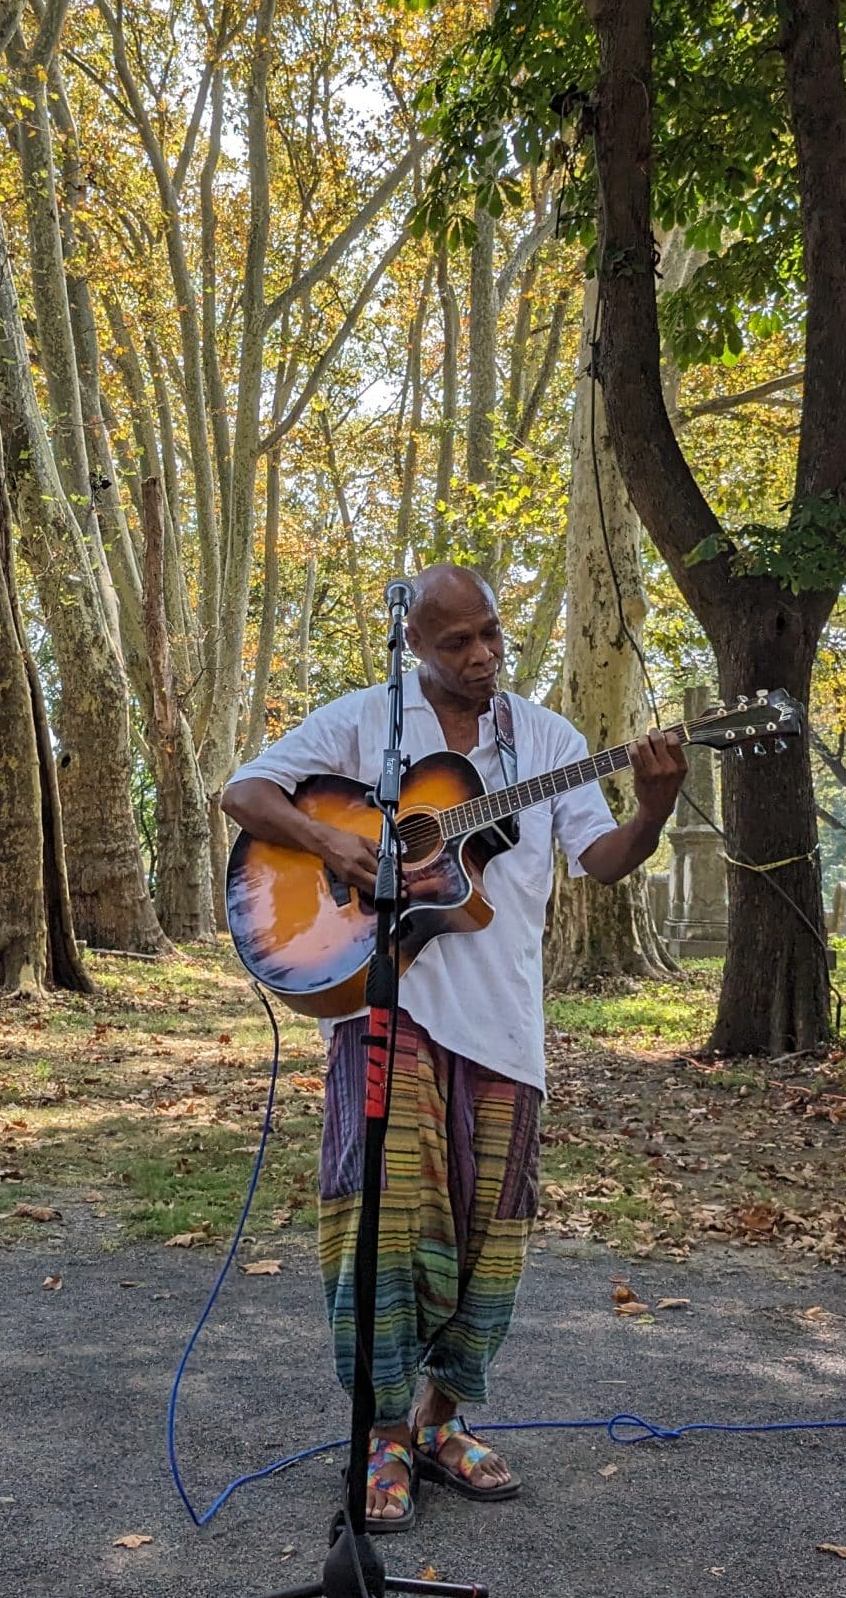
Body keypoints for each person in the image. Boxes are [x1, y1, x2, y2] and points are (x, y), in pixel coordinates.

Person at [221, 562, 687, 1531]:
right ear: (413, 646)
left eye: (490, 636)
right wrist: (334, 843)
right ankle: (382, 1435)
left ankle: (443, 1419)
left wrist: (653, 807)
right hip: (385, 1015)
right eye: (455, 643)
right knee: (384, 1232)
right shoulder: (364, 721)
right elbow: (244, 793)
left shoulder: (548, 739)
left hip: (506, 1028)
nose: (480, 657)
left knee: (489, 1241)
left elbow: (601, 863)